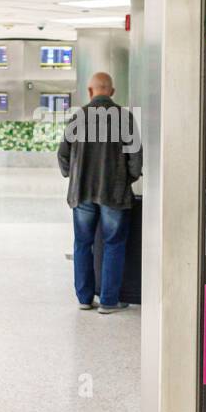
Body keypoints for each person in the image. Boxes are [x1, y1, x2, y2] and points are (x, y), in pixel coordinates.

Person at [57, 72, 142, 314]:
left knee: (82, 243)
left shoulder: (77, 117)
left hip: (82, 192)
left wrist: (73, 176)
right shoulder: (124, 118)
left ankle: (84, 298)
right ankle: (108, 301)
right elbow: (135, 158)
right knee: (114, 243)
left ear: (90, 91)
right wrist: (128, 179)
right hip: (114, 193)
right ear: (112, 92)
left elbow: (62, 154)